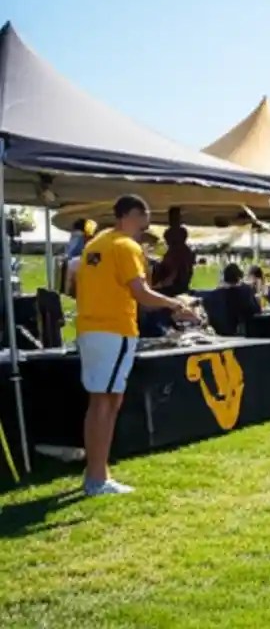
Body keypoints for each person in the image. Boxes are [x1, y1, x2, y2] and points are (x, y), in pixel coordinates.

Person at [73, 195, 197, 496]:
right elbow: (141, 292)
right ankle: (97, 478)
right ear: (131, 214)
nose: (148, 223)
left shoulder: (98, 243)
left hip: (91, 328)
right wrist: (175, 304)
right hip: (112, 329)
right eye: (145, 215)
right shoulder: (126, 246)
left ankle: (97, 473)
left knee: (103, 401)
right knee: (105, 402)